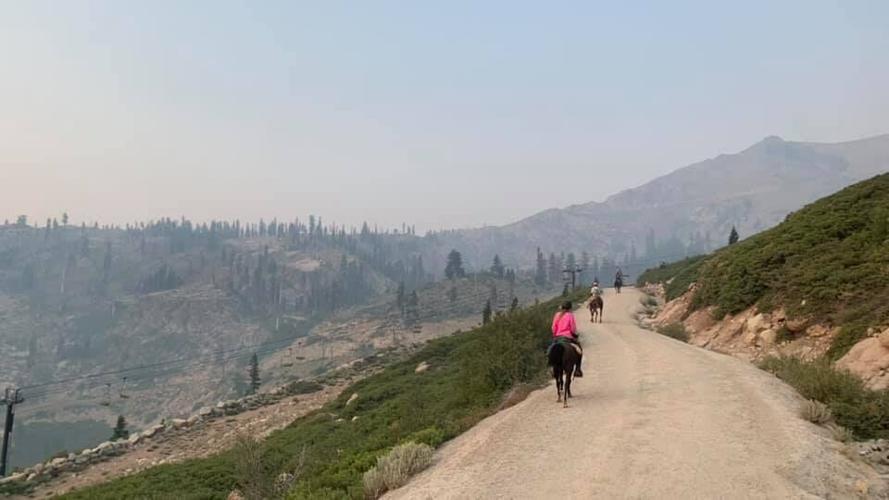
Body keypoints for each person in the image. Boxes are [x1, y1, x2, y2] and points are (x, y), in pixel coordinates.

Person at [551, 301, 583, 377]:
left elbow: (553, 327)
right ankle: (578, 369)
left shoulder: (557, 315)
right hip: (568, 337)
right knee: (579, 350)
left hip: (558, 337)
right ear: (570, 308)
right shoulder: (570, 315)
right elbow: (572, 328)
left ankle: (552, 367)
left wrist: (555, 334)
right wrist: (575, 334)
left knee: (550, 350)